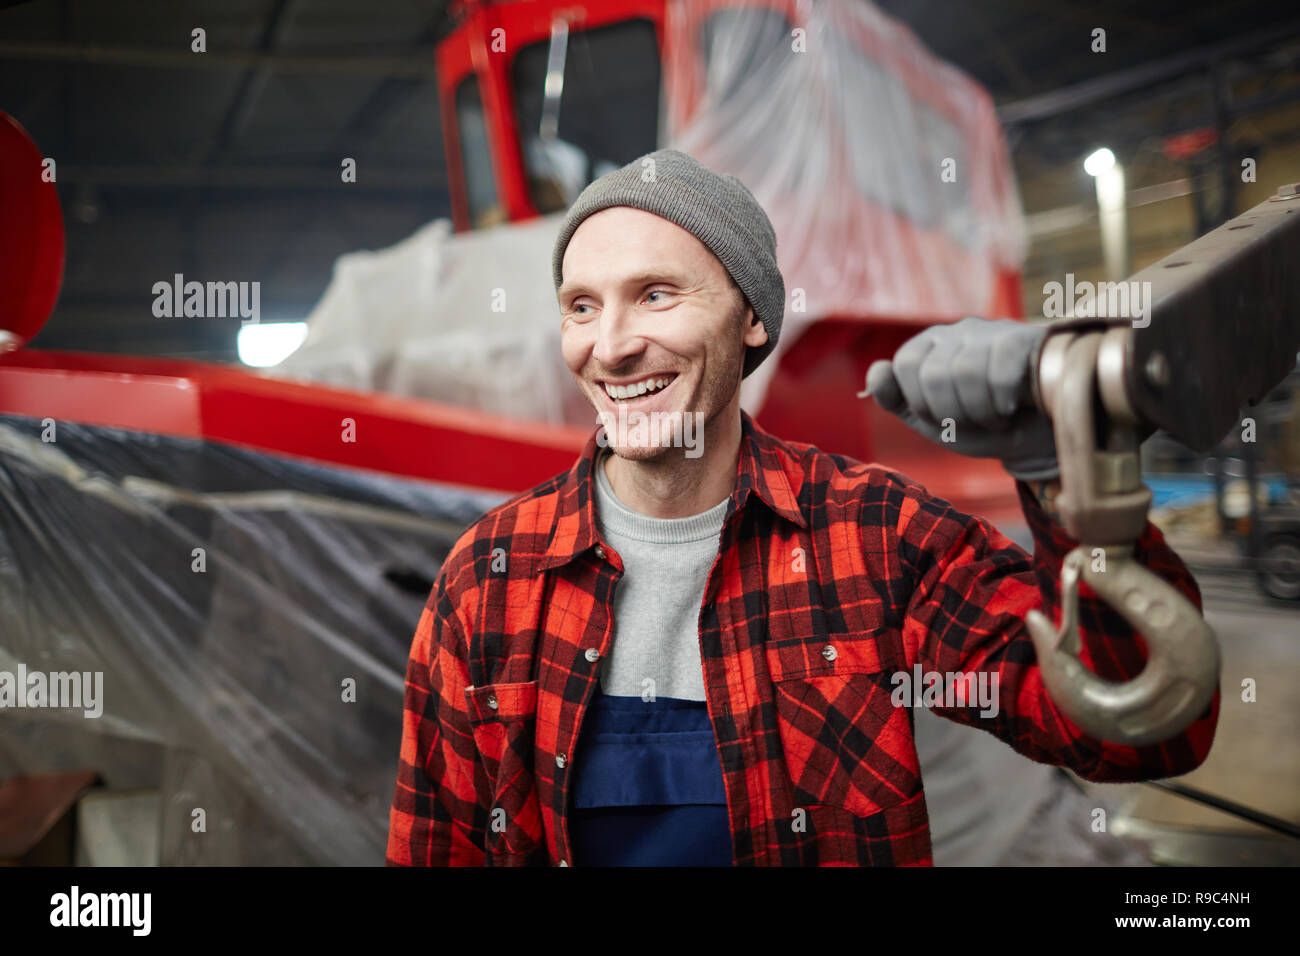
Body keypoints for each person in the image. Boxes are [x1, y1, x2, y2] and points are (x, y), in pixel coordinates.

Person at [386, 148, 1219, 866]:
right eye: (581, 306)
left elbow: (1140, 728)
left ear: (751, 317)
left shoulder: (871, 537)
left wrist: (1067, 472)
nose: (609, 346)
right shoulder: (489, 581)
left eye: (655, 295)